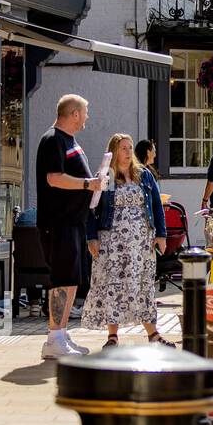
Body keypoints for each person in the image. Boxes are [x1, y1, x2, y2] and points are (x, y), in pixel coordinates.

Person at [84, 134, 173, 348]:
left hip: (141, 241)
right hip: (112, 242)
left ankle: (153, 334)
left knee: (142, 284)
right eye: (123, 148)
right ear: (114, 151)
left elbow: (156, 206)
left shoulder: (143, 175)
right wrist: (92, 237)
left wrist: (161, 234)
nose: (127, 151)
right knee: (113, 285)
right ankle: (112, 336)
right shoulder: (106, 177)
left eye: (130, 147)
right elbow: (91, 209)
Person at [35, 95, 104, 359]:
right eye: (85, 112)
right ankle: (53, 338)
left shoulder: (70, 141)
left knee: (71, 279)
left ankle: (61, 334)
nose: (87, 117)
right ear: (74, 114)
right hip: (58, 222)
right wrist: (88, 184)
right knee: (62, 280)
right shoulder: (53, 139)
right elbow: (53, 178)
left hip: (73, 222)